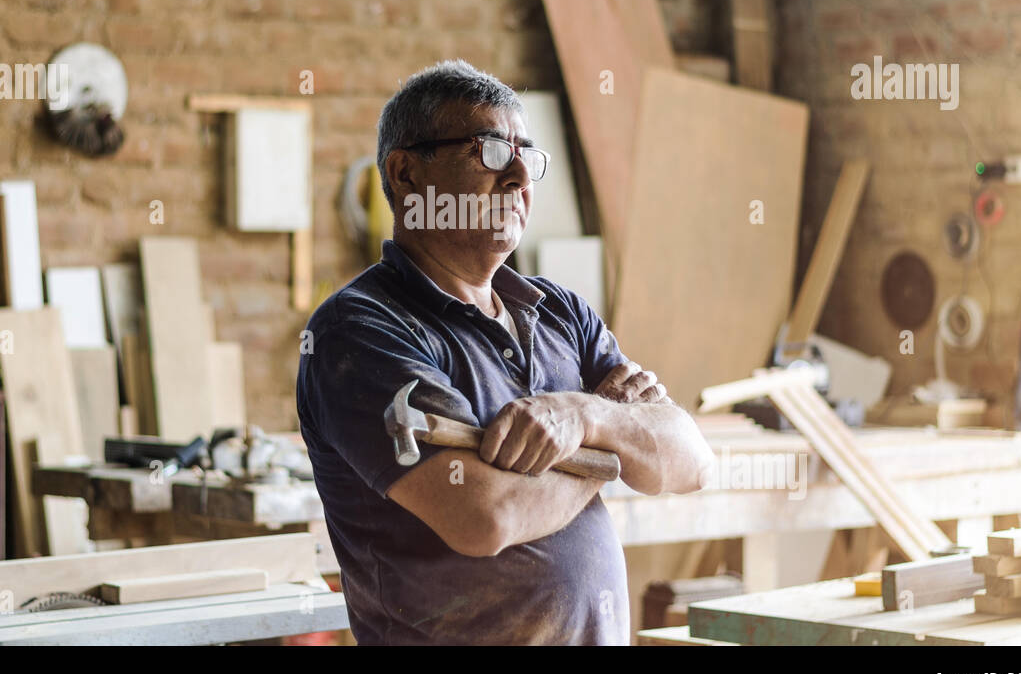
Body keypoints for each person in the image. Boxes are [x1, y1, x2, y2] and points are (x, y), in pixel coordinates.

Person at [297, 59, 714, 644]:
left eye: (528, 154)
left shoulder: (561, 312)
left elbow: (693, 463)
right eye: (490, 151)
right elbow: (487, 518)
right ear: (407, 174)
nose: (520, 175)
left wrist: (586, 416)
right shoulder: (359, 331)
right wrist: (613, 450)